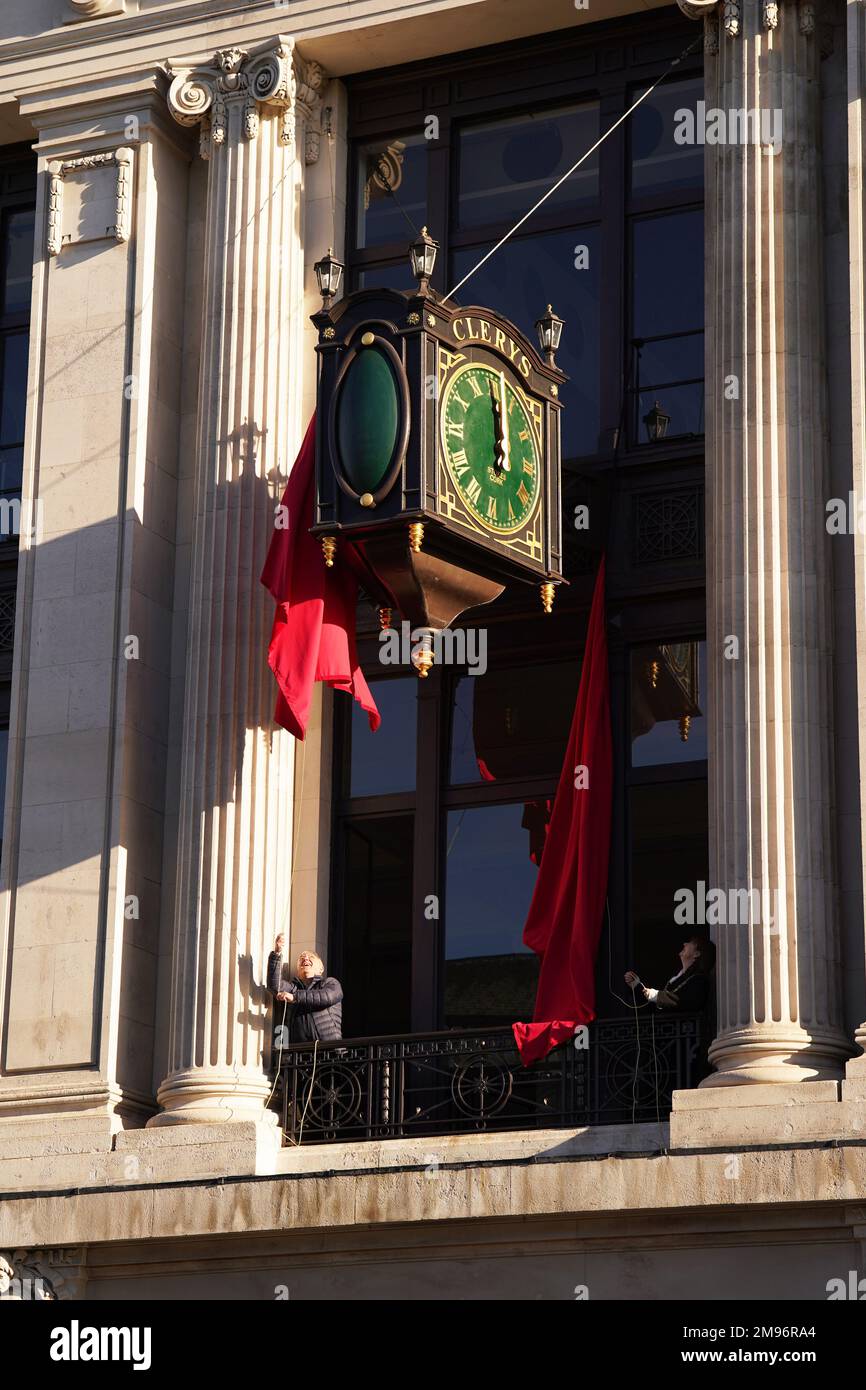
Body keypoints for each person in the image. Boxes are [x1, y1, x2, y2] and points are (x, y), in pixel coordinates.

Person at [624, 935, 716, 1082]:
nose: (685, 943)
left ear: (697, 953)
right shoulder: (679, 978)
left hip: (684, 1049)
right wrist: (637, 987)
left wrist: (655, 995)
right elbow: (661, 1005)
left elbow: (685, 1002)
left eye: (690, 943)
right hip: (668, 1046)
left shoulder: (699, 979)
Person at [267, 936, 343, 1043]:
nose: (305, 958)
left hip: (329, 1052)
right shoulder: (293, 988)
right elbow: (274, 986)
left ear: (321, 968)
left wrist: (294, 997)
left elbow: (327, 997)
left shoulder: (330, 983)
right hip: (299, 1055)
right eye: (302, 957)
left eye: (311, 957)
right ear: (298, 969)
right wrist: (277, 954)